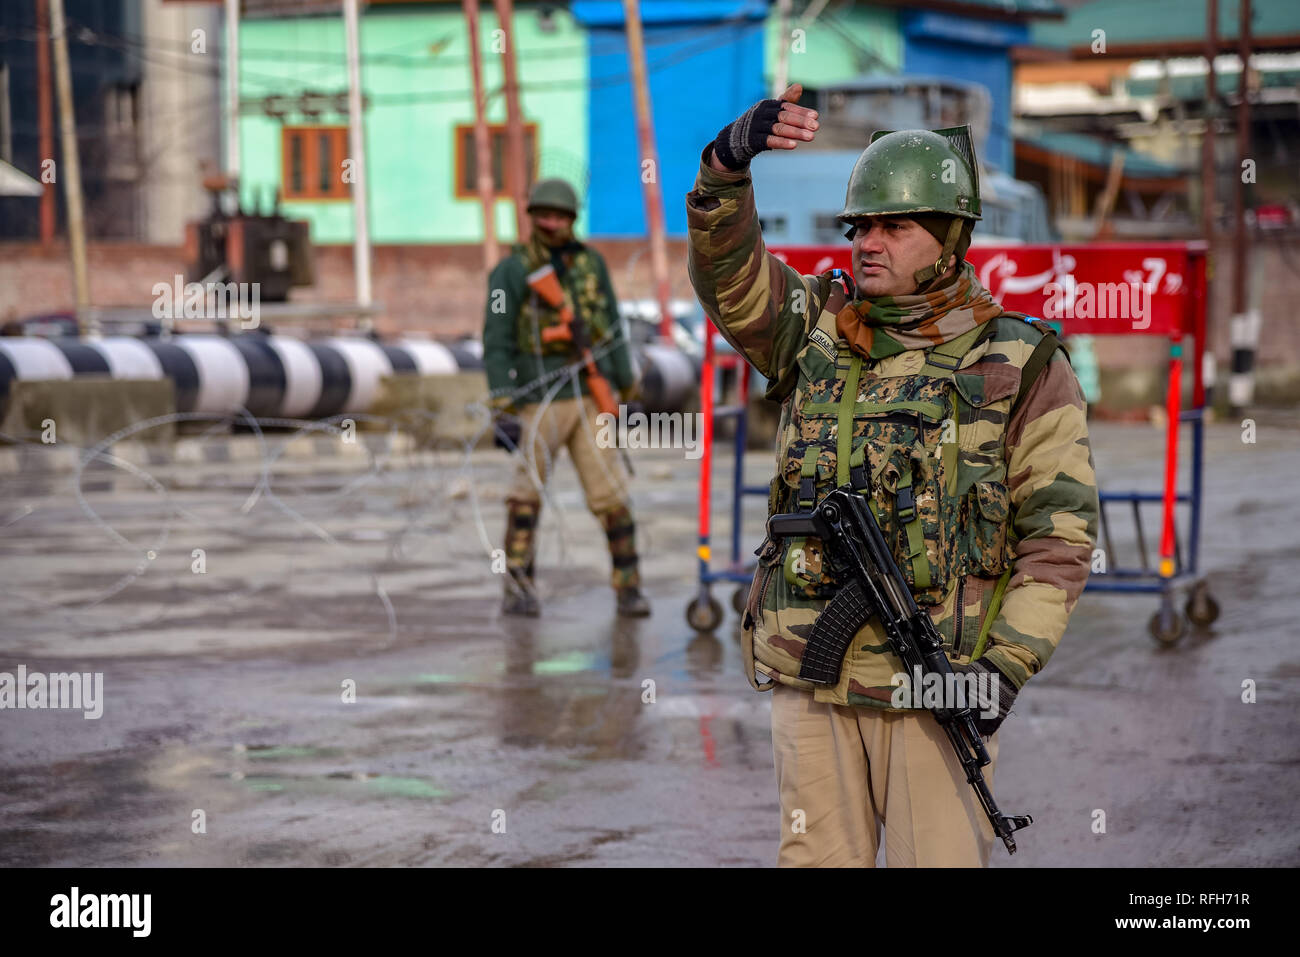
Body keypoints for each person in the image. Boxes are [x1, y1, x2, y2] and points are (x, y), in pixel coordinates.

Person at [686, 85, 1099, 866]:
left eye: (893, 225)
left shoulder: (1015, 363)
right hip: (812, 677)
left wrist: (999, 671)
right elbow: (725, 273)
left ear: (949, 238)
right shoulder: (812, 331)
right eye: (860, 226)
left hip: (931, 689)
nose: (867, 242)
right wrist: (726, 168)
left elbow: (1058, 538)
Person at [483, 177, 651, 619]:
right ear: (532, 216)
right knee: (526, 494)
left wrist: (624, 387)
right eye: (543, 215)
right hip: (539, 395)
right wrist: (502, 404)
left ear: (572, 219)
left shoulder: (590, 265)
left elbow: (612, 325)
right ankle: (518, 587)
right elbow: (496, 336)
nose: (551, 223)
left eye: (559, 216)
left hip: (591, 396)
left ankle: (629, 587)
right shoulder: (510, 272)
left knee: (611, 492)